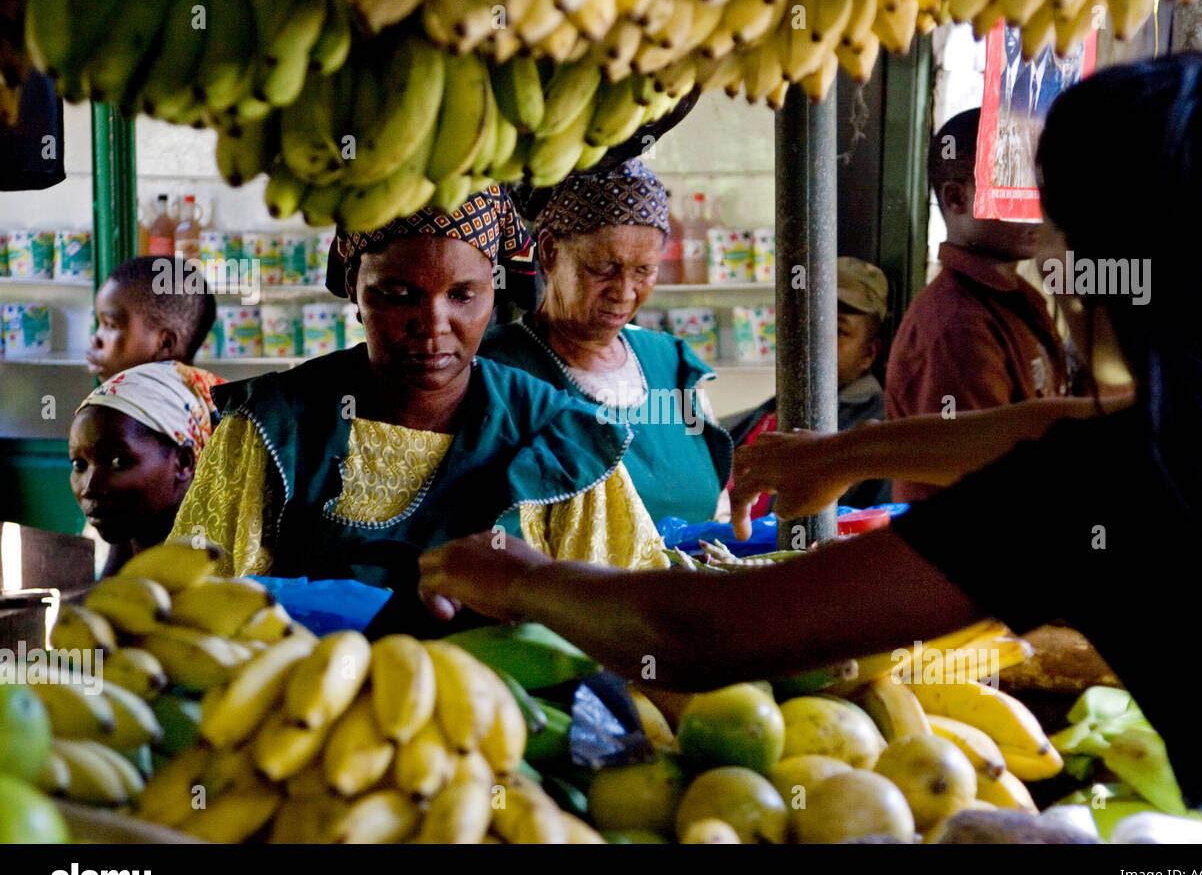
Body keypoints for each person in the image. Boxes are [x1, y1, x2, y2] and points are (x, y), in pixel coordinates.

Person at [416, 55, 1202, 813]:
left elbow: (709, 631)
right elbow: (1059, 423)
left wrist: (516, 578)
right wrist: (848, 453)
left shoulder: (1108, 478)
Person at [169, 187, 668, 615]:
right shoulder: (275, 425)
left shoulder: (558, 436)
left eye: (462, 296)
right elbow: (201, 612)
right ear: (354, 288)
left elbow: (626, 618)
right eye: (399, 293)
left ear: (493, 293)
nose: (433, 325)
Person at [479, 160, 733, 525]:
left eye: (644, 271)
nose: (625, 292)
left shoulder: (672, 364)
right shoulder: (496, 369)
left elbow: (718, 509)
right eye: (604, 269)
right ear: (549, 251)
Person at [887, 107, 1069, 502]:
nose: (1036, 205)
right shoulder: (957, 323)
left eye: (1041, 185)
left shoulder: (1020, 298)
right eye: (1015, 185)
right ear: (956, 198)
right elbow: (989, 476)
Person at [726, 256, 891, 513]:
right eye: (804, 324)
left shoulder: (878, 430)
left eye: (838, 331)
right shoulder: (765, 414)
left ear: (868, 353)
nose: (811, 340)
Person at [69, 361, 220, 576]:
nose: (90, 487)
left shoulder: (225, 580)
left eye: (118, 462)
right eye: (79, 464)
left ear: (184, 462)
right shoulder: (118, 548)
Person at [85, 255, 218, 380]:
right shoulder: (207, 399)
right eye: (99, 324)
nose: (95, 339)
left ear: (165, 344)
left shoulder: (108, 404)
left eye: (110, 325)